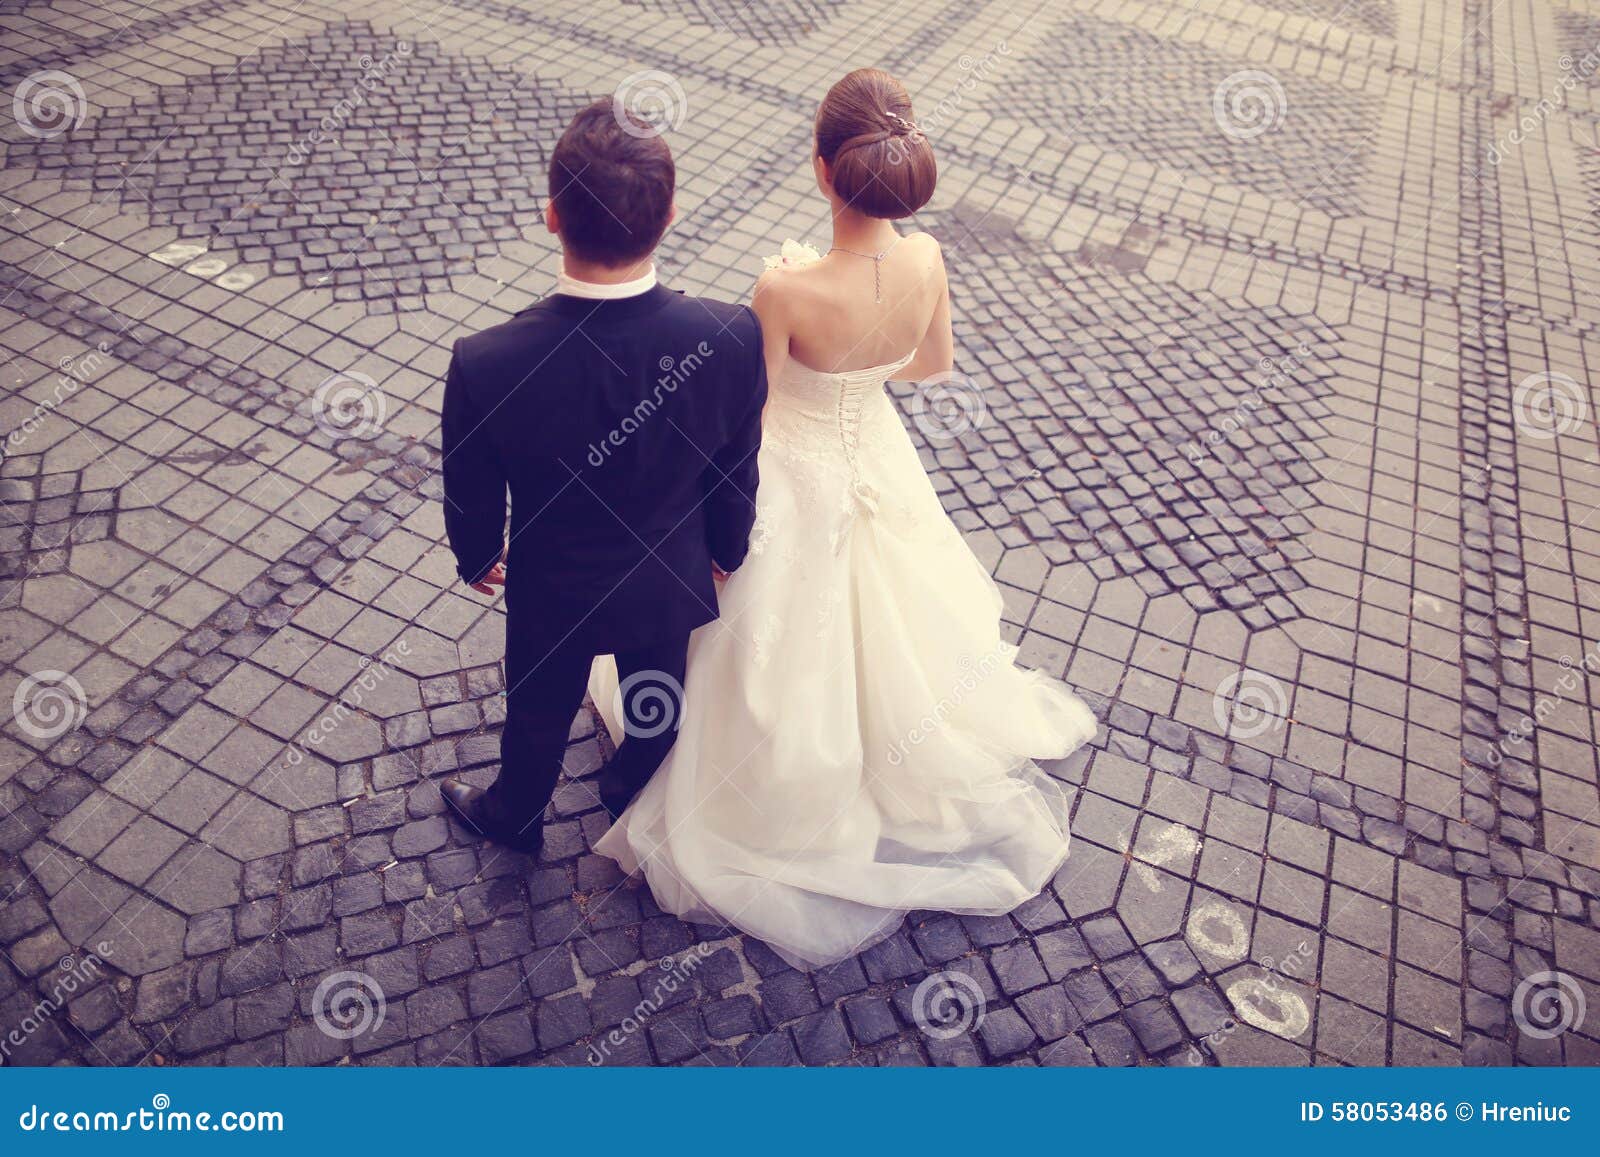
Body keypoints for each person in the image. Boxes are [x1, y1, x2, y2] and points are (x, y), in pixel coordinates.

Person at [591, 69, 1097, 969]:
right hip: (875, 455)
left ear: (823, 170)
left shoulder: (784, 289)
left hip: (795, 470)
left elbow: (743, 415)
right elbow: (929, 363)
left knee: (771, 627)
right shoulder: (928, 258)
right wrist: (858, 380)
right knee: (893, 616)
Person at [439, 98, 766, 855]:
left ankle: (516, 812)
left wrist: (478, 551)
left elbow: (472, 482)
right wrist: (728, 547)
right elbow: (734, 464)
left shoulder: (488, 361)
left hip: (552, 582)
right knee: (658, 695)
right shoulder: (727, 337)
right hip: (669, 571)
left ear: (553, 216)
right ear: (672, 214)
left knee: (537, 702)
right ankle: (629, 789)